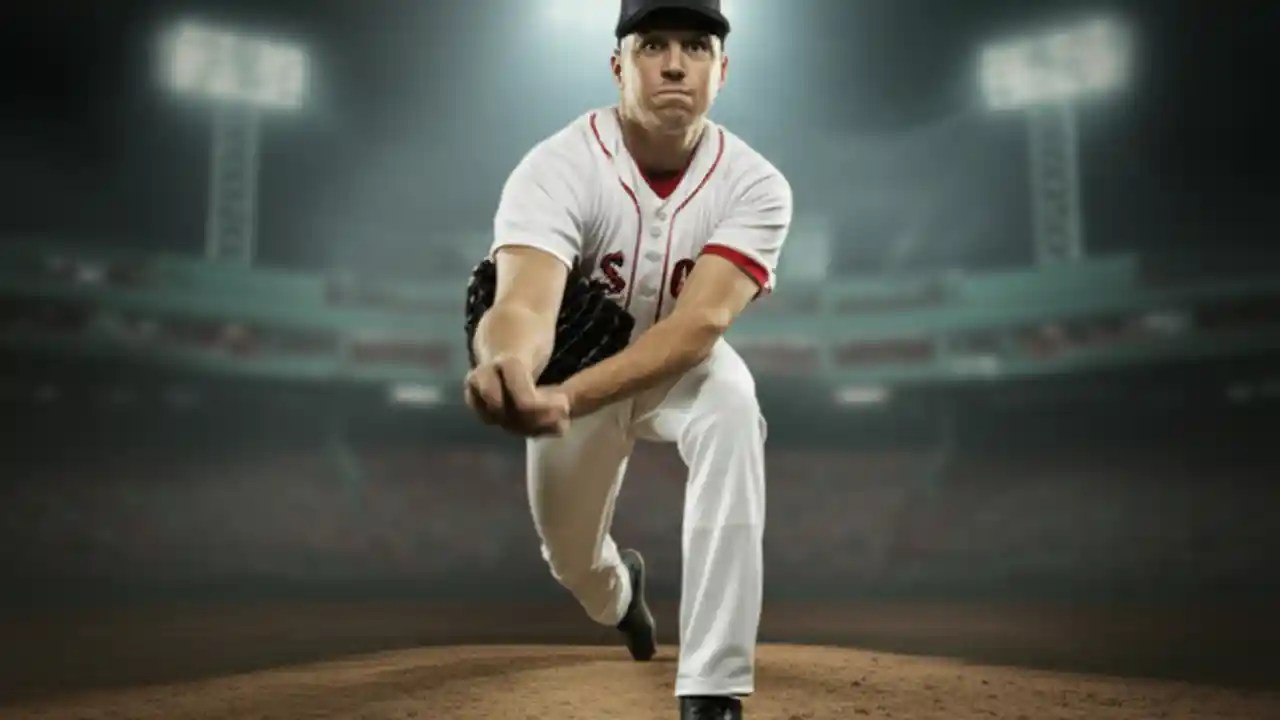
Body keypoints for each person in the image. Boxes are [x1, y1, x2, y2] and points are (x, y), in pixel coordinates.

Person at [464, 1, 792, 717]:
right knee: (574, 563)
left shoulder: (756, 185)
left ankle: (713, 687)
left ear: (723, 70)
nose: (675, 64)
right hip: (576, 372)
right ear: (618, 66)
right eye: (653, 45)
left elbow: (699, 326)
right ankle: (621, 595)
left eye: (697, 46)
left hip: (677, 371)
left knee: (734, 408)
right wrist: (508, 361)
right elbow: (523, 304)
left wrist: (569, 396)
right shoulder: (557, 167)